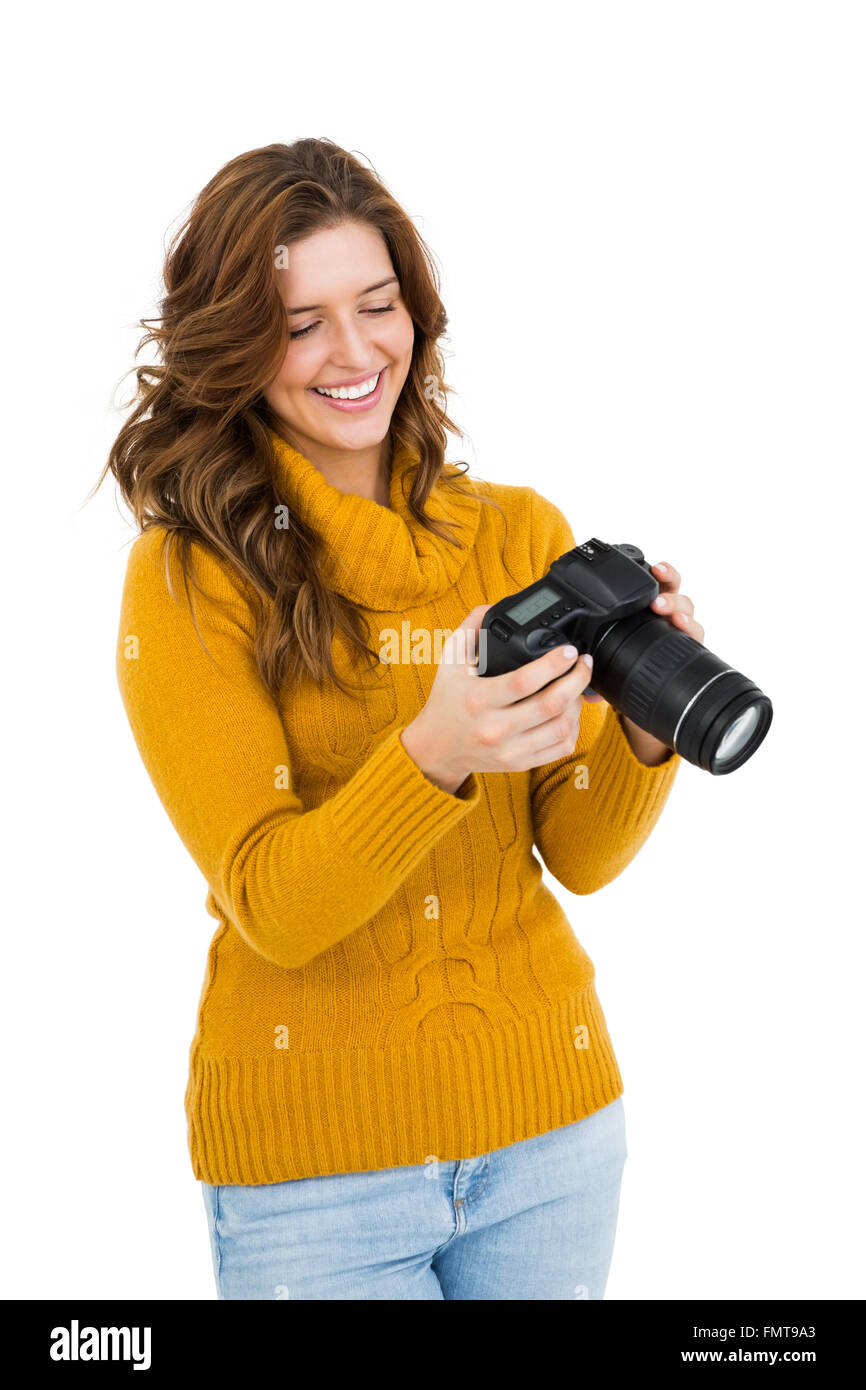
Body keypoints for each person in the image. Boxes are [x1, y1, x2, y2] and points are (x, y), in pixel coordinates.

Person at [101, 137, 703, 1300]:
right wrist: (434, 751)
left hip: (552, 1133)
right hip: (315, 1184)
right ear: (235, 343)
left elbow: (578, 855)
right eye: (301, 323)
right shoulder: (189, 578)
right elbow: (274, 905)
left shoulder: (518, 533)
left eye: (377, 306)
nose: (354, 351)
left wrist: (645, 727)